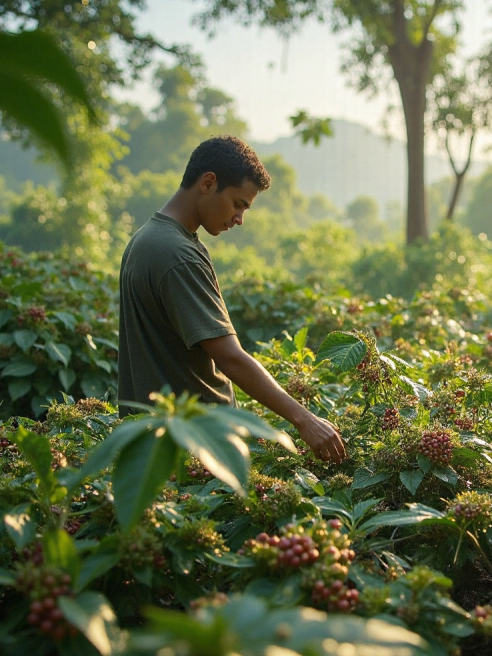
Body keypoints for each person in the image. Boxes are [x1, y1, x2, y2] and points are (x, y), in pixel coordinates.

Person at [118, 135, 346, 463]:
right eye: (239, 204)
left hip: (160, 440)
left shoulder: (146, 239)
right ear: (208, 183)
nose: (239, 218)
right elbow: (229, 357)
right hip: (193, 448)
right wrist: (305, 420)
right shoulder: (177, 254)